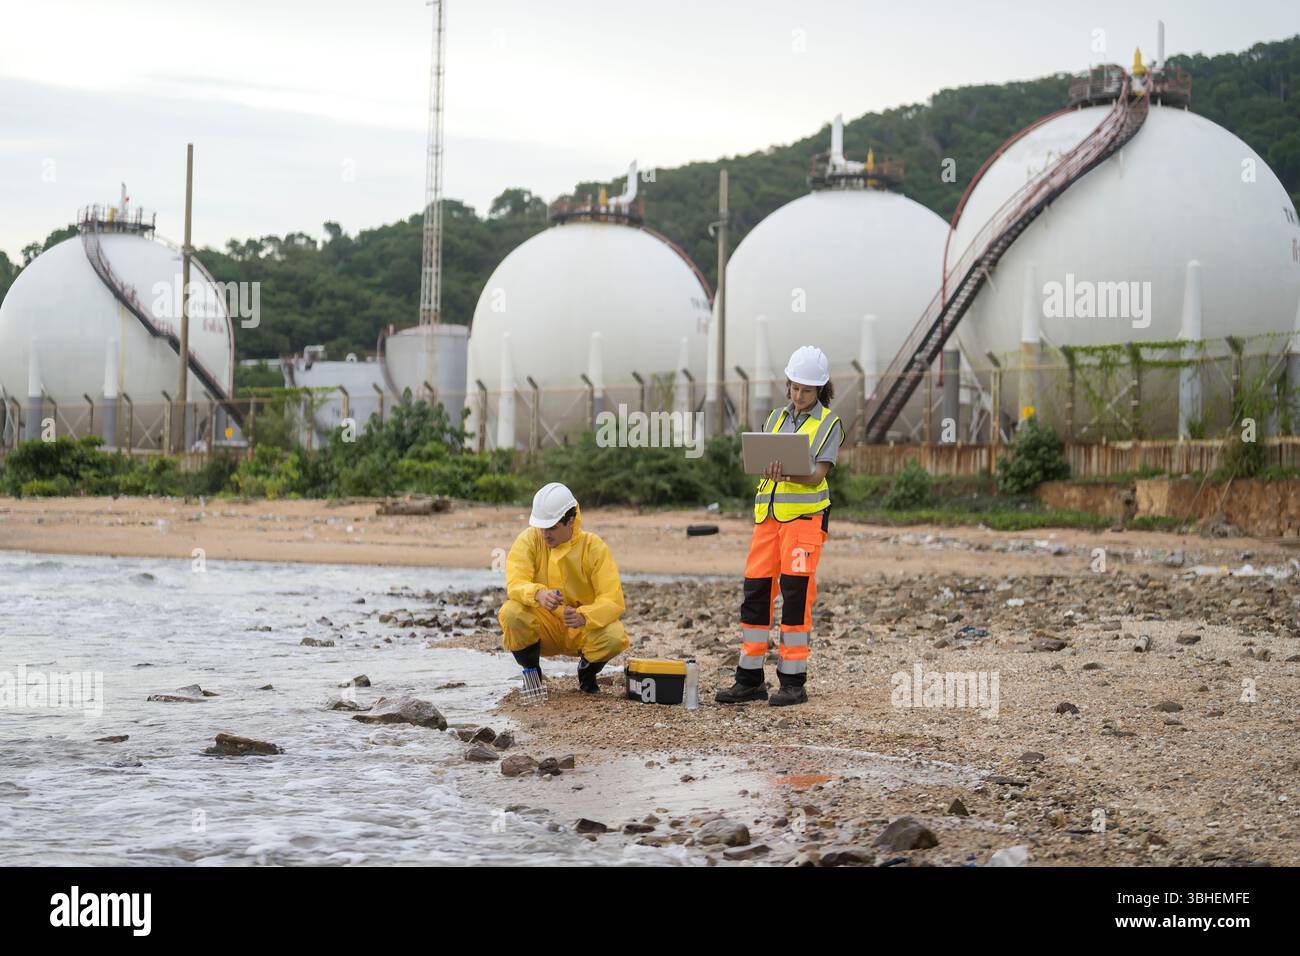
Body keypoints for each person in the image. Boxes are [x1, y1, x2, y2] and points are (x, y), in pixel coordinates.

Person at [717, 345, 843, 707]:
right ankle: (750, 679)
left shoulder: (829, 424)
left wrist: (789, 472)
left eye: (806, 389)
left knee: (795, 596)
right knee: (755, 596)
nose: (798, 395)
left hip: (804, 525)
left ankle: (792, 682)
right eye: (794, 387)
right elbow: (760, 460)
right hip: (768, 523)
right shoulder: (773, 419)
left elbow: (818, 473)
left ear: (819, 389)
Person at [498, 482, 630, 694]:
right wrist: (538, 594)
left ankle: (586, 677)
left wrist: (584, 616)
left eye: (551, 527)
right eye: (541, 526)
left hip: (580, 629)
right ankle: (533, 677)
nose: (544, 534)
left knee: (614, 635)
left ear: (570, 521)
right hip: (544, 628)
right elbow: (515, 583)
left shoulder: (593, 547)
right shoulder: (530, 539)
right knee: (511, 612)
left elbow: (613, 600)